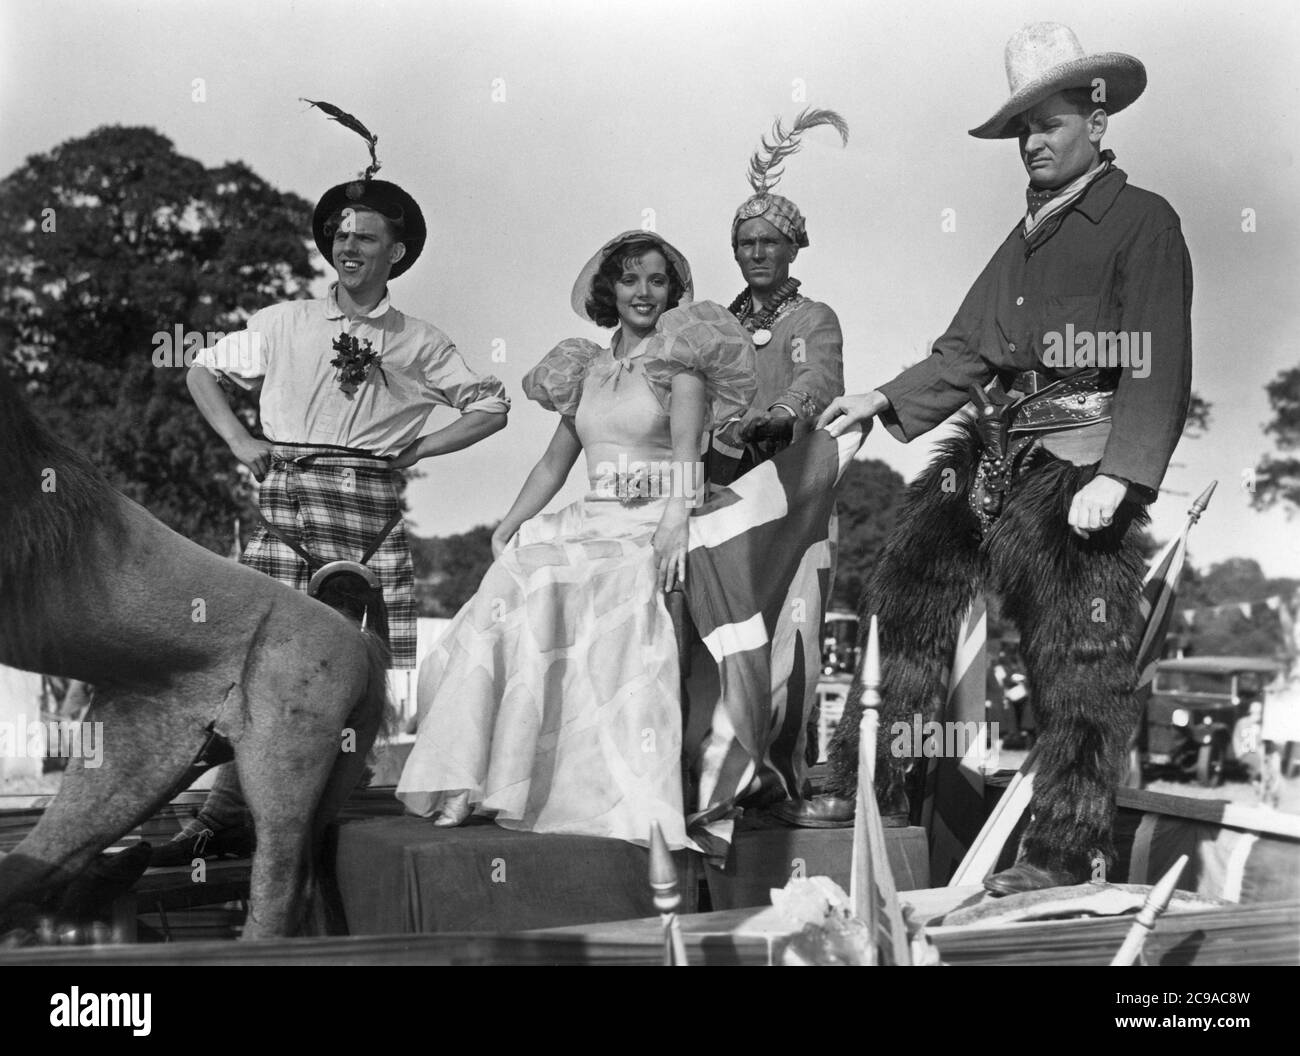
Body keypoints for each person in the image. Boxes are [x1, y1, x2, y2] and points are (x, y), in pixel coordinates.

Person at [782, 23, 1193, 897]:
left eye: (1048, 124)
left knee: (1073, 656)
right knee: (906, 592)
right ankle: (869, 782)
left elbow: (1157, 357)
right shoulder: (1024, 236)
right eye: (1022, 132)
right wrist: (884, 399)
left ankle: (1064, 849)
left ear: (1098, 118)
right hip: (995, 449)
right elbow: (966, 350)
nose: (1033, 145)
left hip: (1083, 461)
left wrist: (1121, 475)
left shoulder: (1143, 219)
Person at [161, 107, 510, 864]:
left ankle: (309, 823)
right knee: (256, 668)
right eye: (340, 237)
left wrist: (419, 443)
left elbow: (493, 406)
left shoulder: (421, 341)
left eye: (365, 238)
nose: (348, 248)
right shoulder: (284, 321)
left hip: (372, 515)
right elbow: (199, 369)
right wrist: (240, 438)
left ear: (398, 250)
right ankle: (223, 819)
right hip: (287, 501)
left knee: (353, 681)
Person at [396, 232, 755, 849]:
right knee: (512, 574)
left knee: (550, 577)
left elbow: (691, 457)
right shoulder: (581, 368)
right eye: (630, 280)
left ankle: (569, 783)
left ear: (673, 290)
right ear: (608, 291)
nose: (644, 292)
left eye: (657, 280)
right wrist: (509, 520)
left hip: (653, 522)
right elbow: (551, 465)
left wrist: (673, 522)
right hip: (590, 515)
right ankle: (468, 777)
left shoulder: (682, 363)